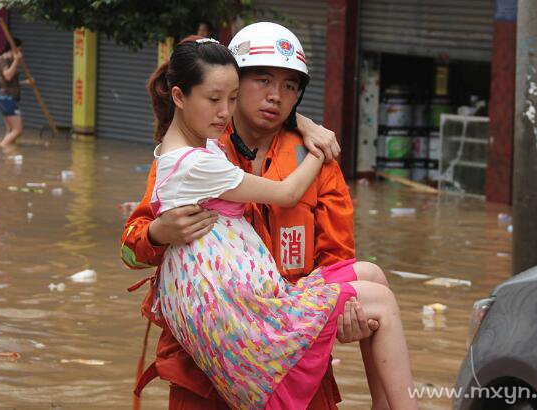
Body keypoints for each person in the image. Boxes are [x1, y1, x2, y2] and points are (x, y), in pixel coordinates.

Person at [121, 24, 389, 409]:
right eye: (262, 80)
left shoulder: (316, 161)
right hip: (203, 369)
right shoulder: (198, 151)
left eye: (290, 86)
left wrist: (350, 314)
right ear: (234, 80)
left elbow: (337, 259)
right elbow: (131, 247)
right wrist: (159, 234)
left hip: (291, 359)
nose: (275, 96)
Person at [0, 37, 34, 148]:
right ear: (14, 49)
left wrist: (25, 82)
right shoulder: (3, 60)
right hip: (7, 99)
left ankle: (8, 157)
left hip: (6, 99)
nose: (21, 52)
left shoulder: (8, 60)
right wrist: (17, 60)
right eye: (20, 49)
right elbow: (7, 76)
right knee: (17, 131)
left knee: (11, 130)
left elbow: (9, 83)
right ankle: (2, 148)